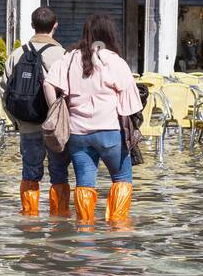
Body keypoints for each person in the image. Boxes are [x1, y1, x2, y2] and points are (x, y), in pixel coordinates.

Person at [42, 14, 143, 224]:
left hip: (78, 133)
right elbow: (132, 103)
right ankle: (118, 231)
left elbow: (48, 84)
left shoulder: (69, 58)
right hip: (110, 133)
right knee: (122, 179)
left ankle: (84, 233)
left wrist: (56, 109)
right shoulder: (114, 60)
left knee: (85, 184)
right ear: (109, 34)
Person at [3, 6, 69, 216]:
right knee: (59, 172)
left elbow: (5, 93)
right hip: (55, 127)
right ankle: (59, 221)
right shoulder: (63, 55)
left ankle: (29, 221)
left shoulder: (16, 54)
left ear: (32, 25)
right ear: (55, 26)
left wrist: (17, 121)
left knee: (30, 173)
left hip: (27, 124)